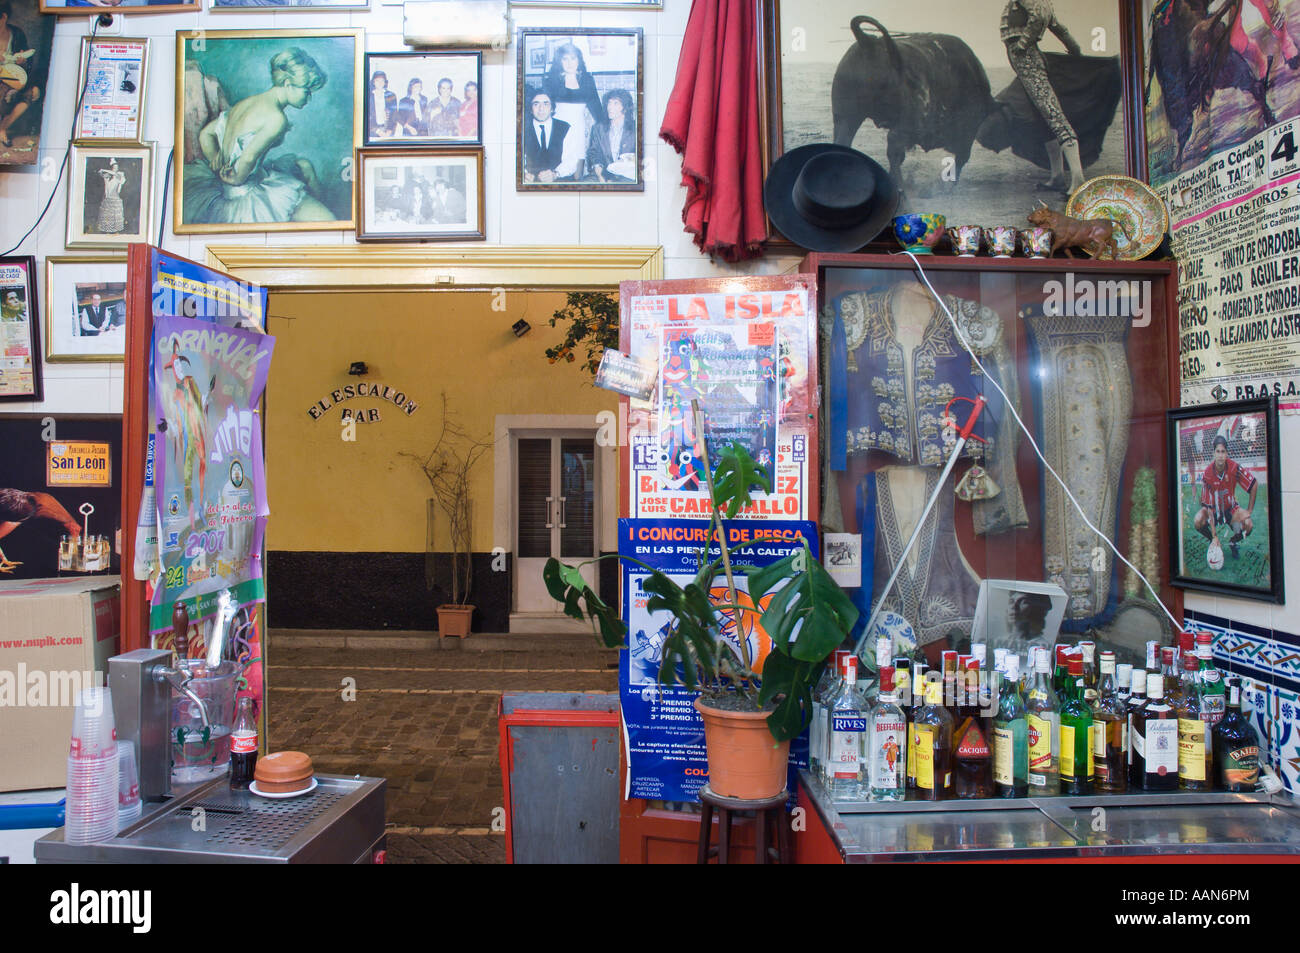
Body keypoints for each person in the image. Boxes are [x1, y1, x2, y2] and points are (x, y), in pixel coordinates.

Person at [186, 48, 335, 224]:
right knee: (329, 220)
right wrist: (236, 178)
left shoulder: (245, 103)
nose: (308, 98)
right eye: (307, 91)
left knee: (304, 166)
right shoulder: (276, 118)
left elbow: (206, 134)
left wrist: (216, 162)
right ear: (288, 83)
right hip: (245, 194)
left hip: (237, 182)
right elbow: (248, 158)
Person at [1000, 0, 1085, 192]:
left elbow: (1040, 16)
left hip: (1028, 61)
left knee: (1053, 115)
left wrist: (1022, 44)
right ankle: (1057, 177)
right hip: (1026, 62)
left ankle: (1078, 179)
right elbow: (1059, 28)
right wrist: (1074, 48)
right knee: (1043, 118)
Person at [543, 42, 605, 181]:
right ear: (560, 61)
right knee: (556, 174)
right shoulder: (550, 80)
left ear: (579, 60)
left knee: (577, 178)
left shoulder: (587, 80)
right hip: (557, 132)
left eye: (573, 58)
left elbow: (598, 112)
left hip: (578, 132)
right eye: (565, 59)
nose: (569, 63)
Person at [1194, 434, 1257, 559]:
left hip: (1230, 509)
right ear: (1214, 453)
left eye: (1223, 451)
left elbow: (1253, 484)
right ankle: (1213, 541)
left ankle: (1232, 542)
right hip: (1214, 510)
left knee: (1248, 524)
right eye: (1218, 451)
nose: (1220, 455)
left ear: (1227, 453)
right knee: (1198, 520)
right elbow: (1208, 508)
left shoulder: (1234, 467)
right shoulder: (1207, 474)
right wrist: (1215, 535)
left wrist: (1249, 510)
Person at [0, 0, 41, 150]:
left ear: (3, 17)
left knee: (33, 92)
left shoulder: (16, 34)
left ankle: (3, 128)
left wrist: (22, 61)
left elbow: (26, 67)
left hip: (14, 80)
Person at [585, 89, 636, 183]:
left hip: (627, 175)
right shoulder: (598, 128)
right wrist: (598, 169)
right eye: (609, 103)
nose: (610, 107)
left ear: (625, 108)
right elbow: (593, 152)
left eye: (616, 103)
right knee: (585, 183)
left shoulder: (635, 128)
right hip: (603, 172)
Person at [522, 90, 571, 183]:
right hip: (529, 184)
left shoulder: (565, 128)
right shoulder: (522, 129)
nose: (541, 109)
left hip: (559, 183)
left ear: (552, 108)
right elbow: (516, 159)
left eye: (546, 104)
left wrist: (555, 174)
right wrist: (523, 173)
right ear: (530, 109)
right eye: (536, 104)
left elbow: (571, 159)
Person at [96, 157, 127, 233]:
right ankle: (107, 230)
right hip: (108, 197)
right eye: (113, 167)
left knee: (115, 214)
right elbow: (100, 173)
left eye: (116, 167)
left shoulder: (119, 175)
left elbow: (115, 174)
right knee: (107, 214)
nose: (115, 169)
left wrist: (104, 170)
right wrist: (103, 172)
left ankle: (116, 231)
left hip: (115, 197)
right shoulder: (108, 176)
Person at [368, 70, 396, 139]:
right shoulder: (368, 95)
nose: (380, 83)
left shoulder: (391, 95)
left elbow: (394, 115)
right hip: (372, 131)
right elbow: (366, 116)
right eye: (377, 80)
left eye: (382, 80)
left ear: (385, 82)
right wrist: (377, 131)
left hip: (388, 131)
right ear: (373, 82)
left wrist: (389, 131)